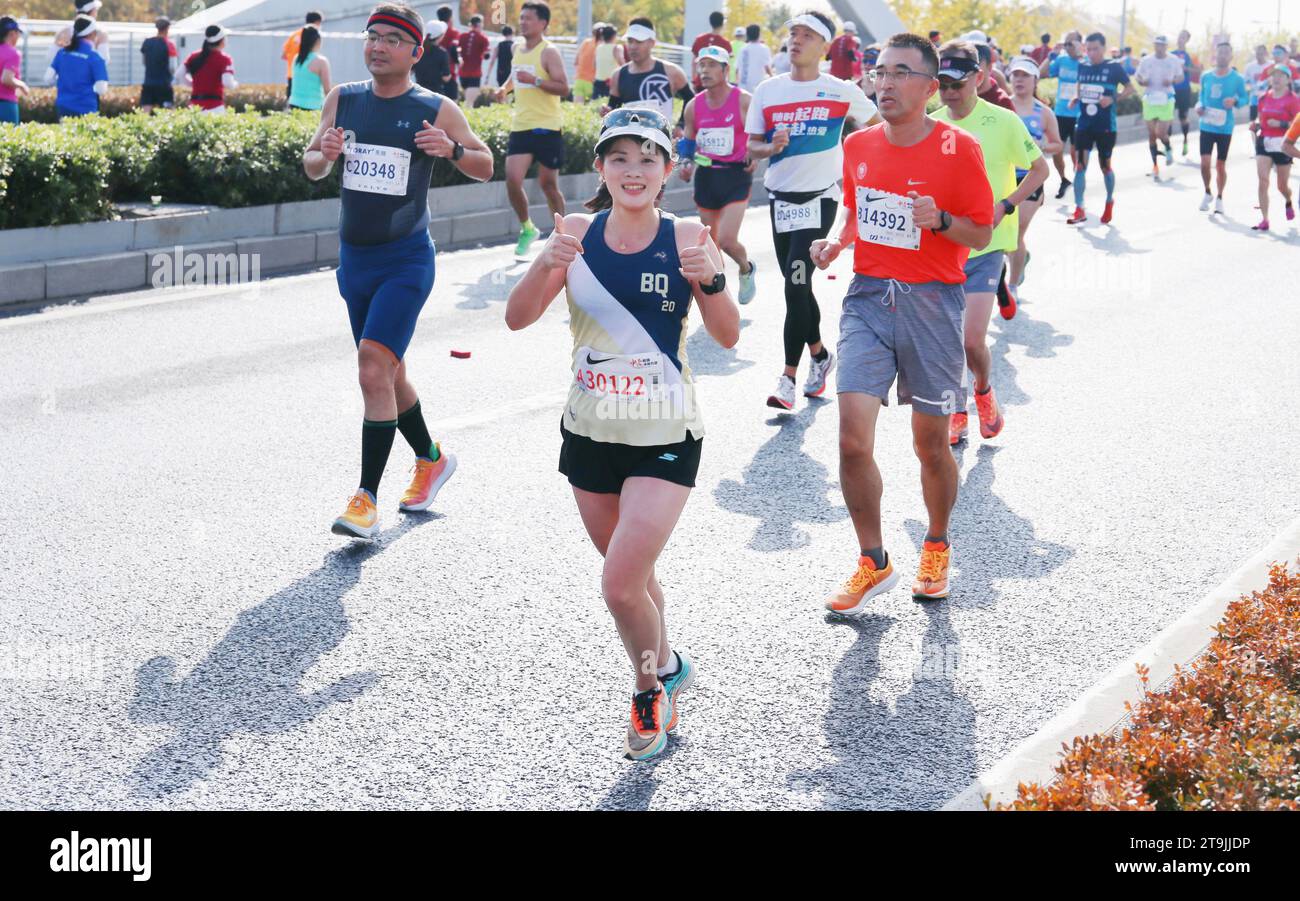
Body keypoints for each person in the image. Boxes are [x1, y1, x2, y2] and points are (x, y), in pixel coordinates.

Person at [503, 108, 739, 761]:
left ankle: (648, 689)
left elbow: (728, 333)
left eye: (648, 159)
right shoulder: (576, 232)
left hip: (666, 433)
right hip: (591, 435)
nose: (633, 171)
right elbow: (517, 318)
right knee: (632, 577)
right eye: (619, 159)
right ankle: (668, 659)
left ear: (667, 170)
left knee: (617, 584)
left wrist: (710, 277)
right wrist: (543, 264)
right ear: (602, 168)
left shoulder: (689, 232)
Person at [809, 32, 993, 611]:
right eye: (879, 72)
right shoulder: (859, 144)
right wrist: (838, 242)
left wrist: (939, 219)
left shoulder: (958, 149)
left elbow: (981, 233)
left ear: (929, 87)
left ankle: (936, 544)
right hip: (868, 296)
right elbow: (854, 207)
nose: (884, 83)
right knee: (850, 438)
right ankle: (873, 560)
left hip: (934, 303)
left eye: (899, 74)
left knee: (930, 444)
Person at [302, 3, 493, 539]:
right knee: (390, 373)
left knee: (370, 367)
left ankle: (365, 499)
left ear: (415, 51)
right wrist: (327, 153)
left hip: (406, 260)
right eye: (372, 37)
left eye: (391, 39)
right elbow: (311, 164)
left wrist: (451, 148)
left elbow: (484, 165)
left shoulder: (435, 106)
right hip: (354, 261)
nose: (378, 46)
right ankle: (431, 459)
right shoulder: (345, 99)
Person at [745, 10, 878, 411]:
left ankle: (788, 378)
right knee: (797, 285)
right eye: (792, 33)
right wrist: (772, 147)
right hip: (780, 199)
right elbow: (752, 147)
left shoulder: (839, 90)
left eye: (806, 34)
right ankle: (821, 355)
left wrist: (864, 170)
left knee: (794, 285)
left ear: (824, 45)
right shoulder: (768, 91)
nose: (796, 40)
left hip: (819, 198)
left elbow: (877, 128)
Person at [933, 44, 1046, 446]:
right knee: (946, 341)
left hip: (987, 245)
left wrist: (1007, 204)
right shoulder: (930, 123)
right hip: (944, 245)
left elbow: (1039, 169)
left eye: (956, 84)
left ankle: (983, 391)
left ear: (978, 79)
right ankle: (957, 411)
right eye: (942, 84)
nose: (948, 93)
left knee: (970, 339)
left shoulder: (1003, 121)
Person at [678, 45, 757, 304]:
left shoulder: (743, 100)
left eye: (712, 65)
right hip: (707, 175)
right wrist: (685, 163)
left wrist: (754, 153)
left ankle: (746, 268)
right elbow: (688, 142)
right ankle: (721, 296)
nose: (705, 71)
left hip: (736, 175)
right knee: (711, 243)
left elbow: (762, 133)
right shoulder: (694, 106)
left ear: (725, 69)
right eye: (702, 65)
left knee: (726, 240)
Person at [498, 2, 567, 257]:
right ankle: (527, 228)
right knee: (512, 180)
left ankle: (563, 233)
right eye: (521, 18)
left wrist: (536, 81)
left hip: (547, 126)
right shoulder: (517, 47)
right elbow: (516, 76)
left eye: (528, 18)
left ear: (542, 23)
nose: (523, 22)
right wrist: (503, 89)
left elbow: (563, 87)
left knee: (548, 184)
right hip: (522, 126)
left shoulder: (549, 52)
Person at [1006, 57, 1062, 289]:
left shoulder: (1044, 112)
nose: (1019, 80)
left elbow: (1058, 144)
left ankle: (1012, 286)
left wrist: (1042, 147)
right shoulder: (1003, 108)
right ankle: (1019, 259)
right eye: (1015, 75)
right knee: (1004, 234)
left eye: (1025, 76)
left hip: (1032, 177)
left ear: (1035, 80)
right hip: (1005, 176)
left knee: (1016, 230)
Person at [1066, 32, 1133, 225]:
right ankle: (1079, 208)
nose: (1092, 53)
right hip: (1084, 124)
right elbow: (1080, 83)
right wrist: (1076, 97)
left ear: (1103, 48)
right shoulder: (1083, 66)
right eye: (1088, 49)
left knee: (1105, 167)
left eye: (1095, 49)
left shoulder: (1113, 68)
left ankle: (1109, 200)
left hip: (1105, 127)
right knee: (1079, 166)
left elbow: (1130, 89)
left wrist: (1113, 99)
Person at [607, 19, 691, 128]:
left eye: (639, 41)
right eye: (630, 41)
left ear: (652, 43)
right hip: (631, 140)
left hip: (661, 140)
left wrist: (681, 126)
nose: (633, 47)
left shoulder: (671, 71)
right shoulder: (618, 75)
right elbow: (613, 108)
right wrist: (607, 111)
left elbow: (690, 99)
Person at [1196, 41, 1247, 215]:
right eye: (1220, 52)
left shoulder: (1237, 79)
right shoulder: (1206, 76)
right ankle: (1207, 192)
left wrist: (1235, 101)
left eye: (1226, 52)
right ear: (1215, 54)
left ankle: (1219, 198)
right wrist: (1199, 106)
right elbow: (1200, 97)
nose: (1223, 55)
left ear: (1231, 56)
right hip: (1206, 124)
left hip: (1225, 127)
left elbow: (1245, 99)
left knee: (1220, 165)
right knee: (1204, 163)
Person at [1248, 64, 1300, 231]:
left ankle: (1288, 201)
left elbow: (1297, 123)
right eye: (1274, 75)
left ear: (1288, 79)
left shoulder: (1293, 100)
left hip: (1284, 144)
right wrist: (1256, 124)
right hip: (1264, 141)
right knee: (1263, 180)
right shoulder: (1263, 98)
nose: (1276, 78)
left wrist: (1281, 123)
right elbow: (1260, 117)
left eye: (1281, 75)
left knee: (1281, 186)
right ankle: (1265, 219)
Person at [1136, 35, 1184, 179]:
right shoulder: (1146, 60)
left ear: (1166, 46)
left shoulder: (1173, 60)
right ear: (1154, 45)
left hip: (1166, 98)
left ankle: (1168, 148)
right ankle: (1155, 166)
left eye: (1162, 45)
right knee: (1151, 135)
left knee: (1160, 133)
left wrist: (1172, 81)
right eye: (1157, 44)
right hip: (1150, 98)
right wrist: (1142, 82)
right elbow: (1138, 77)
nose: (1159, 47)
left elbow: (1180, 77)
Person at [1043, 31, 1083, 199]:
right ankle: (1064, 179)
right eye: (1065, 44)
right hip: (1060, 111)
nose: (1067, 47)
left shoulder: (1085, 63)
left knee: (1076, 151)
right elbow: (1042, 73)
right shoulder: (1061, 60)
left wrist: (1079, 54)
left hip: (1079, 113)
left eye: (1071, 44)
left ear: (1080, 44)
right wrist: (1050, 56)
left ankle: (1079, 178)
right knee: (1056, 149)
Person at [45, 16, 107, 120]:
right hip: (87, 110)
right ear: (92, 34)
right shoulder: (95, 57)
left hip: (63, 107)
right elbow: (101, 89)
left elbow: (47, 79)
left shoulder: (62, 53)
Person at [180, 25, 237, 114]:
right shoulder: (224, 59)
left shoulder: (193, 56)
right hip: (216, 107)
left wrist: (191, 84)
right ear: (222, 40)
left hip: (195, 107)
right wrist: (235, 85)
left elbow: (179, 74)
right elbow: (228, 82)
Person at [1170, 30, 1201, 157]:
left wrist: (1186, 68)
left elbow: (1198, 70)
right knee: (1168, 117)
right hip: (1171, 89)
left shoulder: (1191, 56)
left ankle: (1185, 141)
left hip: (1184, 90)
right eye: (1179, 36)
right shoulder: (1170, 54)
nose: (1180, 39)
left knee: (1183, 117)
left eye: (1183, 37)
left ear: (1187, 40)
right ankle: (1168, 145)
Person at [52, 0, 110, 66]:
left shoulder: (63, 32)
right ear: (93, 11)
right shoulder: (101, 33)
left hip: (65, 75)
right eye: (96, 10)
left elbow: (52, 58)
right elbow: (104, 61)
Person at [138, 17, 177, 114]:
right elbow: (173, 67)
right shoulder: (169, 44)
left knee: (145, 112)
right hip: (164, 84)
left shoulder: (147, 42)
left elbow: (144, 62)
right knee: (168, 113)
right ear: (167, 28)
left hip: (148, 82)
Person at [288, 25, 331, 111]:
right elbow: (327, 91)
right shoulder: (321, 61)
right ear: (318, 41)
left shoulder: (297, 59)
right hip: (313, 107)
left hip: (294, 105)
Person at [283, 12, 323, 101]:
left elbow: (284, 55)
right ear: (317, 22)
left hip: (292, 74)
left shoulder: (294, 35)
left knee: (293, 105)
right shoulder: (312, 36)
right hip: (308, 76)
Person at [690, 10, 731, 91]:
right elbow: (726, 65)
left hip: (700, 80)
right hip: (718, 83)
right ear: (722, 23)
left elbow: (694, 62)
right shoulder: (725, 43)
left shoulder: (699, 39)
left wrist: (694, 79)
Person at [0, 16, 29, 125]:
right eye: (18, 33)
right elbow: (6, 79)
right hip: (6, 105)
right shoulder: (13, 53)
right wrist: (22, 85)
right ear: (12, 33)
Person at [457, 14, 490, 107]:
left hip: (462, 73)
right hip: (475, 73)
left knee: (466, 101)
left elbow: (457, 52)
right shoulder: (483, 38)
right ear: (480, 25)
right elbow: (486, 55)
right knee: (469, 104)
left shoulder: (462, 36)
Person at [411, 21, 451, 95]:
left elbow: (410, 71)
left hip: (419, 92)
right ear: (440, 36)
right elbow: (446, 77)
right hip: (436, 94)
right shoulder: (442, 52)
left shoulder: (418, 50)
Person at [972, 41, 1013, 110]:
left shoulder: (1002, 102)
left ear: (989, 67)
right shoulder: (959, 97)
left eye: (977, 64)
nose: (971, 69)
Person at [736, 24, 771, 93]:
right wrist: (772, 77)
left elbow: (737, 69)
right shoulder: (764, 48)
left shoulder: (743, 49)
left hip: (743, 85)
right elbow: (767, 67)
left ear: (747, 35)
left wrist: (737, 83)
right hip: (758, 85)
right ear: (759, 34)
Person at [435, 5, 460, 99]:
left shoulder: (434, 31)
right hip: (449, 72)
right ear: (450, 17)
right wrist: (459, 62)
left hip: (434, 73)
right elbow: (454, 50)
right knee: (452, 101)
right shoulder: (453, 32)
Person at [592, 24, 621, 100]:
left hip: (598, 81)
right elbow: (622, 64)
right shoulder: (616, 48)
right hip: (611, 82)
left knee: (596, 107)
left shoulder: (598, 47)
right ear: (614, 36)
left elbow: (594, 65)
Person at [572, 20, 599, 103]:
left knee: (578, 110)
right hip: (592, 82)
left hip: (579, 80)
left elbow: (576, 61)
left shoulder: (585, 42)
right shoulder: (600, 45)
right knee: (591, 112)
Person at [1244, 45, 1269, 122]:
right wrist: (1250, 89)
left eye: (1261, 53)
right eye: (1258, 53)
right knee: (1253, 122)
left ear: (1266, 53)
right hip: (1254, 99)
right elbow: (1246, 83)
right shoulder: (1249, 67)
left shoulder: (1271, 65)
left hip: (1268, 98)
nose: (1259, 56)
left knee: (1266, 119)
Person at [487, 24, 513, 92]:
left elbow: (492, 61)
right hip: (511, 72)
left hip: (501, 72)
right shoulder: (514, 45)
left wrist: (488, 75)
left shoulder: (499, 45)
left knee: (502, 90)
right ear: (512, 33)